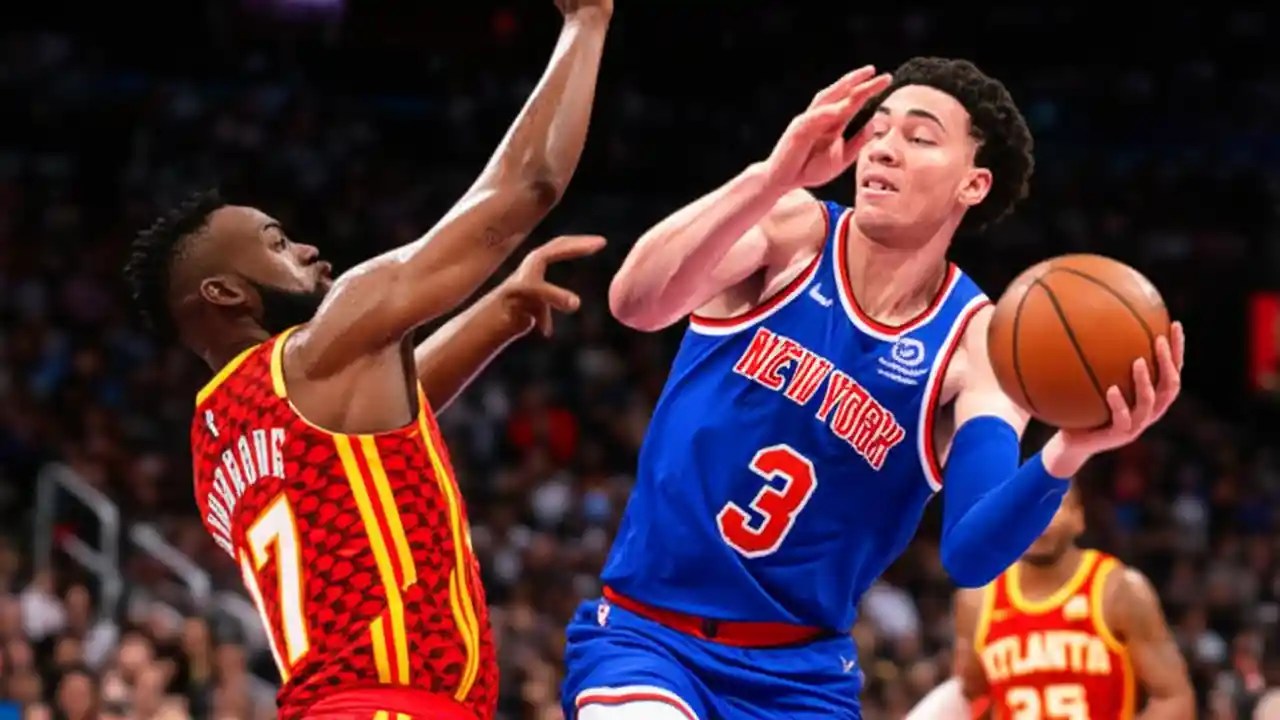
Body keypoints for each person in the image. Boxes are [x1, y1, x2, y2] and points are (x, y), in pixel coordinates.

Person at [562, 58, 1185, 720]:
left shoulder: (975, 346)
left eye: (919, 137)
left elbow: (970, 554)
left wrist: (1069, 449)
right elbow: (636, 303)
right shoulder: (792, 231)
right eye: (878, 129)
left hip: (798, 677)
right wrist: (771, 177)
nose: (884, 147)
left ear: (973, 183)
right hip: (649, 637)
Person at [120, 1, 612, 717]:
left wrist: (495, 315)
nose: (308, 249)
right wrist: (585, 24)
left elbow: (381, 429)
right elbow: (526, 187)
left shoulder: (215, 443)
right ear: (225, 292)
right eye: (277, 243)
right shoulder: (321, 350)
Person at [906, 482, 1195, 719]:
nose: (1038, 519)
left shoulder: (1119, 589)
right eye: (1025, 507)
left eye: (1053, 504)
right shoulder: (976, 599)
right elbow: (969, 697)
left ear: (1078, 518)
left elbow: (1174, 698)